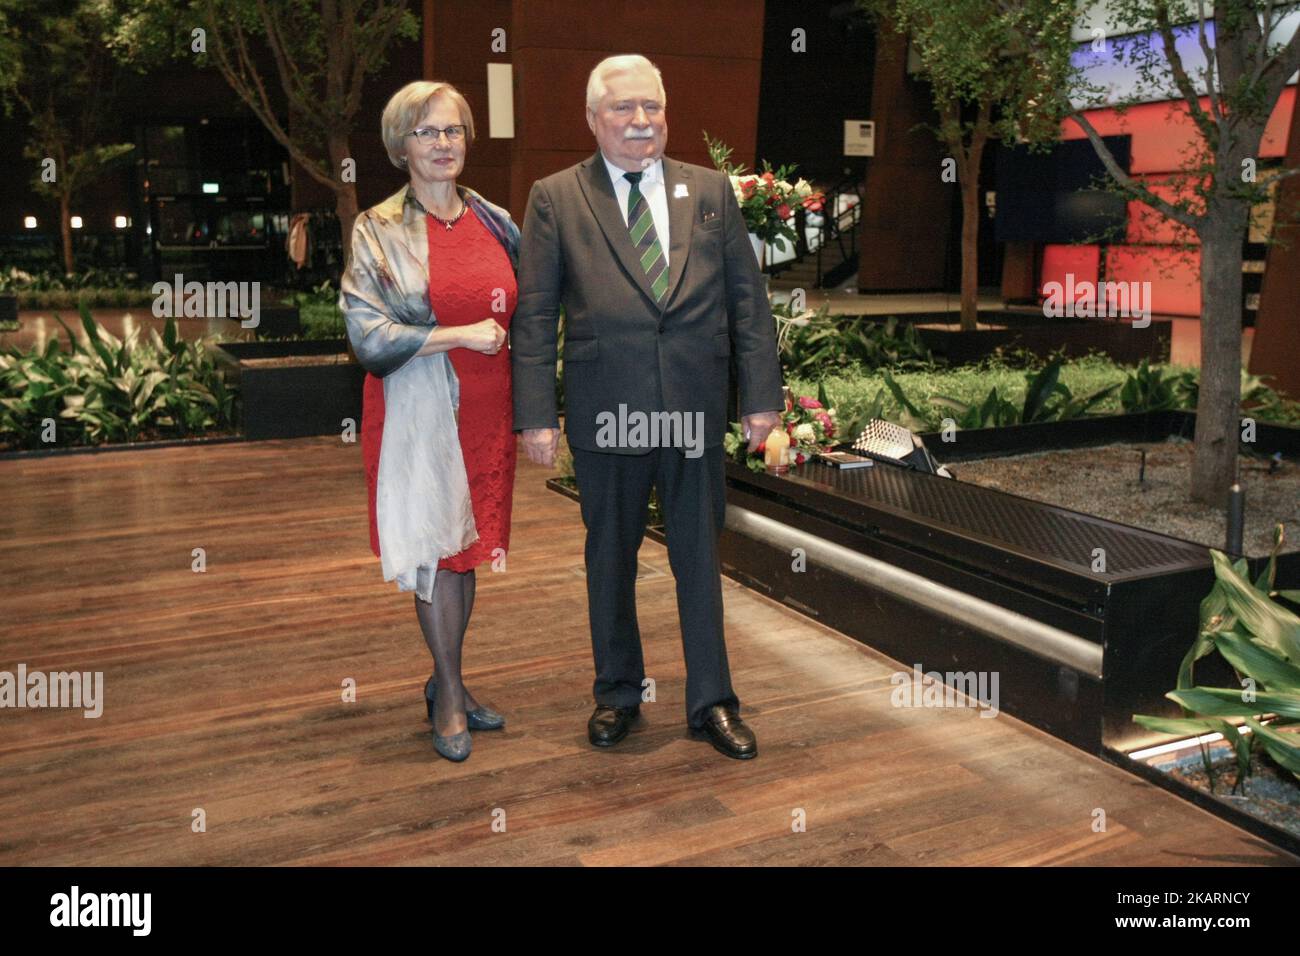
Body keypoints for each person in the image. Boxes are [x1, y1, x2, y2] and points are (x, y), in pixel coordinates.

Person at [511, 54, 784, 760]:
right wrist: (537, 412)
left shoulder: (712, 191)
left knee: (699, 556)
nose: (640, 122)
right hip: (610, 412)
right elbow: (537, 315)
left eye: (651, 109)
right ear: (594, 119)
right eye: (623, 110)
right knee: (611, 559)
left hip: (693, 409)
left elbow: (747, 304)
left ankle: (713, 701)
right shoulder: (556, 198)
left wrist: (761, 399)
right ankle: (618, 694)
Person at [340, 81, 518, 762]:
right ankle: (447, 694)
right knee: (435, 551)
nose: (442, 145)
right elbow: (368, 334)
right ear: (400, 147)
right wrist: (460, 335)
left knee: (465, 550)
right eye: (426, 133)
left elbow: (527, 316)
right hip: (417, 410)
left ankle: (451, 677)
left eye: (453, 131)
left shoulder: (498, 220)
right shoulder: (378, 227)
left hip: (487, 412)